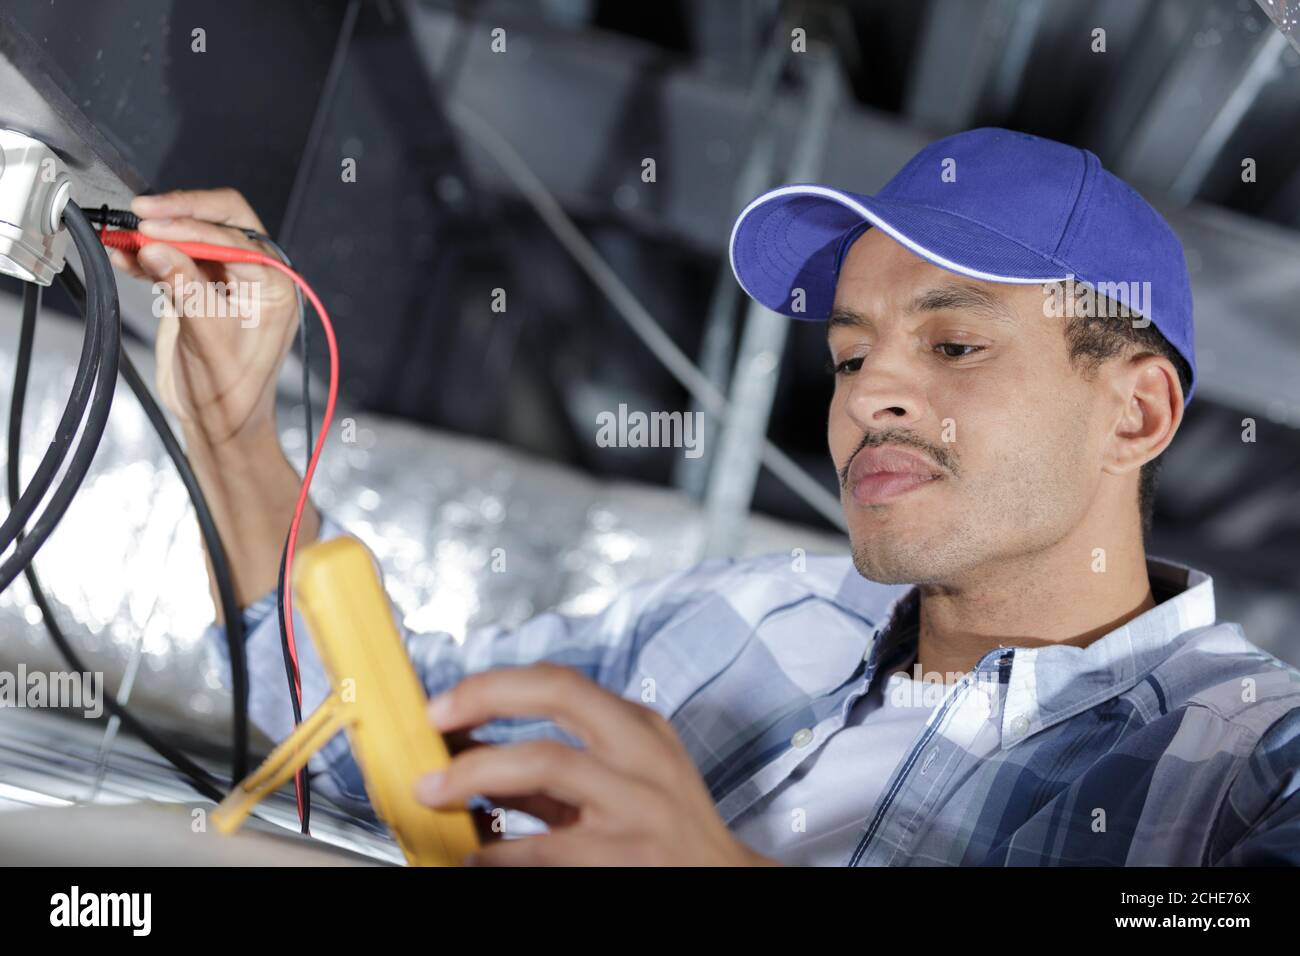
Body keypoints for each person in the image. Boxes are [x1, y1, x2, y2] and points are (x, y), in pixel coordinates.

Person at [110, 127, 1300, 866]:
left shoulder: (1251, 759)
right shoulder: (734, 625)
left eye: (953, 347)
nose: (865, 394)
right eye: (846, 356)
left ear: (1134, 412)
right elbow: (369, 737)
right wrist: (232, 427)